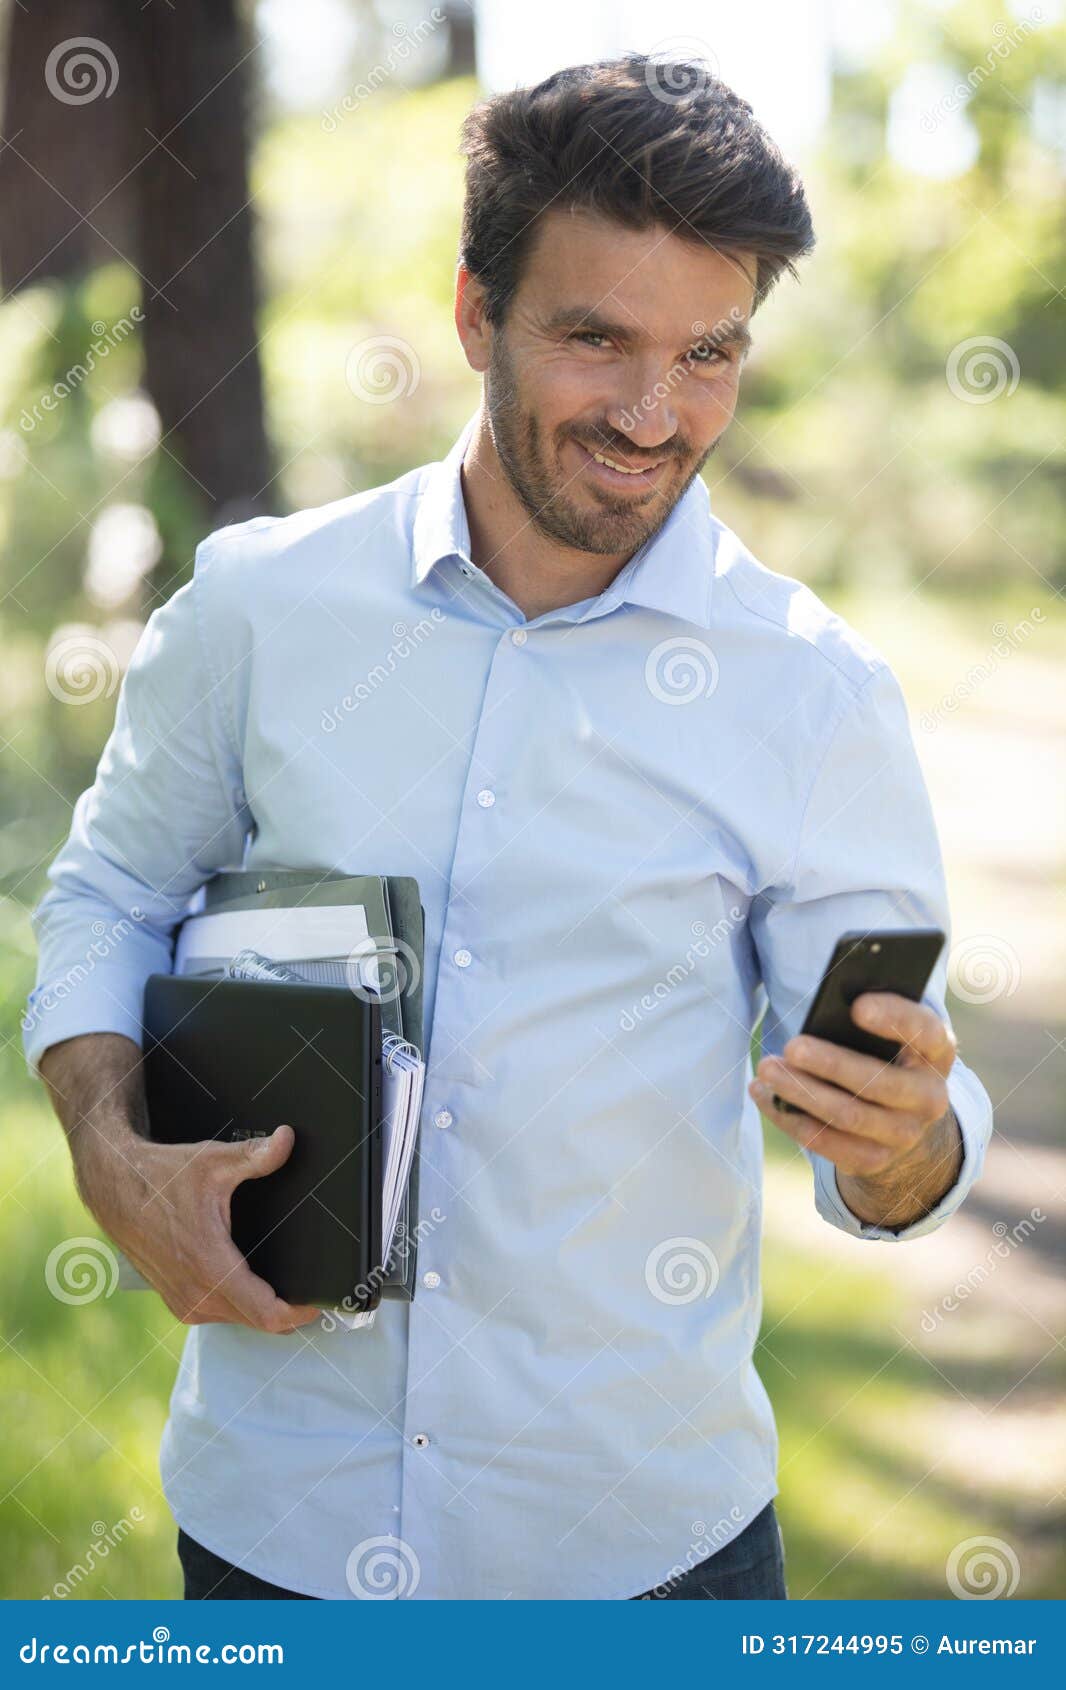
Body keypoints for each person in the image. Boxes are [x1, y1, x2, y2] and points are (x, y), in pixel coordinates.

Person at [24, 56, 992, 1602]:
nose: (653, 415)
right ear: (477, 313)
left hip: (647, 1558)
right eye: (596, 338)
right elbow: (111, 891)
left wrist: (905, 1146)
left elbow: (896, 1119)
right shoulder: (262, 609)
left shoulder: (813, 693)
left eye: (708, 353)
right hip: (278, 1525)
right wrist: (106, 1149)